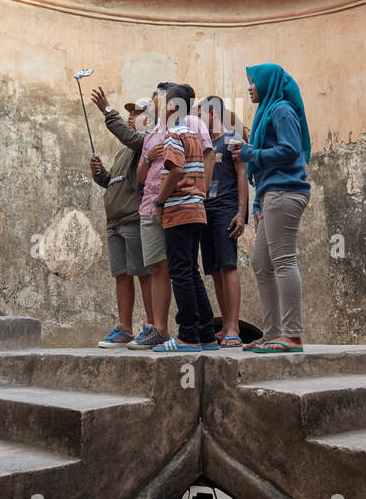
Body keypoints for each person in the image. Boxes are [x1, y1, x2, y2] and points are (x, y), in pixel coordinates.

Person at [130, 83, 215, 349]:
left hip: (179, 210)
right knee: (189, 271)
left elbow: (175, 171)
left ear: (172, 107)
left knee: (179, 273)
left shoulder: (175, 133)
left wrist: (160, 199)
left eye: (164, 101)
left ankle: (188, 336)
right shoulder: (189, 132)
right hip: (194, 209)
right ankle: (207, 335)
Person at [234, 64, 311, 352]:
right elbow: (265, 165)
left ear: (267, 82)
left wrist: (249, 152)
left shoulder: (281, 110)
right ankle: (272, 332)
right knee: (260, 263)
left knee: (283, 261)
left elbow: (290, 149)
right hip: (271, 194)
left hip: (286, 192)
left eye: (253, 82)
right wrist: (257, 202)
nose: (250, 87)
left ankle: (292, 335)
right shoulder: (268, 111)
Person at [89, 97, 156, 348]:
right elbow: (115, 182)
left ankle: (151, 326)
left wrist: (108, 110)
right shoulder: (124, 151)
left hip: (134, 218)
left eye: (136, 113)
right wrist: (100, 174)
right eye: (128, 113)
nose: (130, 116)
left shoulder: (145, 142)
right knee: (122, 275)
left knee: (144, 273)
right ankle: (125, 329)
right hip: (115, 221)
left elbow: (128, 136)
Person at [197, 96, 248, 347]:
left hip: (226, 208)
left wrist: (241, 213)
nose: (197, 121)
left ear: (212, 114)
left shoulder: (233, 141)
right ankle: (225, 322)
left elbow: (242, 177)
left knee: (228, 265)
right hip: (205, 209)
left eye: (200, 116)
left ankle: (234, 328)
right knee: (215, 269)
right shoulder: (204, 145)